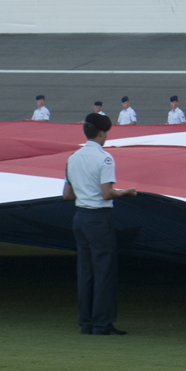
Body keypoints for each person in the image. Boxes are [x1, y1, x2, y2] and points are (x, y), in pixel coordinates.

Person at [62, 111, 137, 336]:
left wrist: (84, 190)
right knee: (104, 270)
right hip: (98, 217)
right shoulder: (105, 158)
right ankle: (102, 322)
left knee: (86, 271)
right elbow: (106, 193)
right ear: (102, 133)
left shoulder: (73, 157)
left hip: (80, 216)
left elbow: (67, 195)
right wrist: (126, 193)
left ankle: (86, 320)